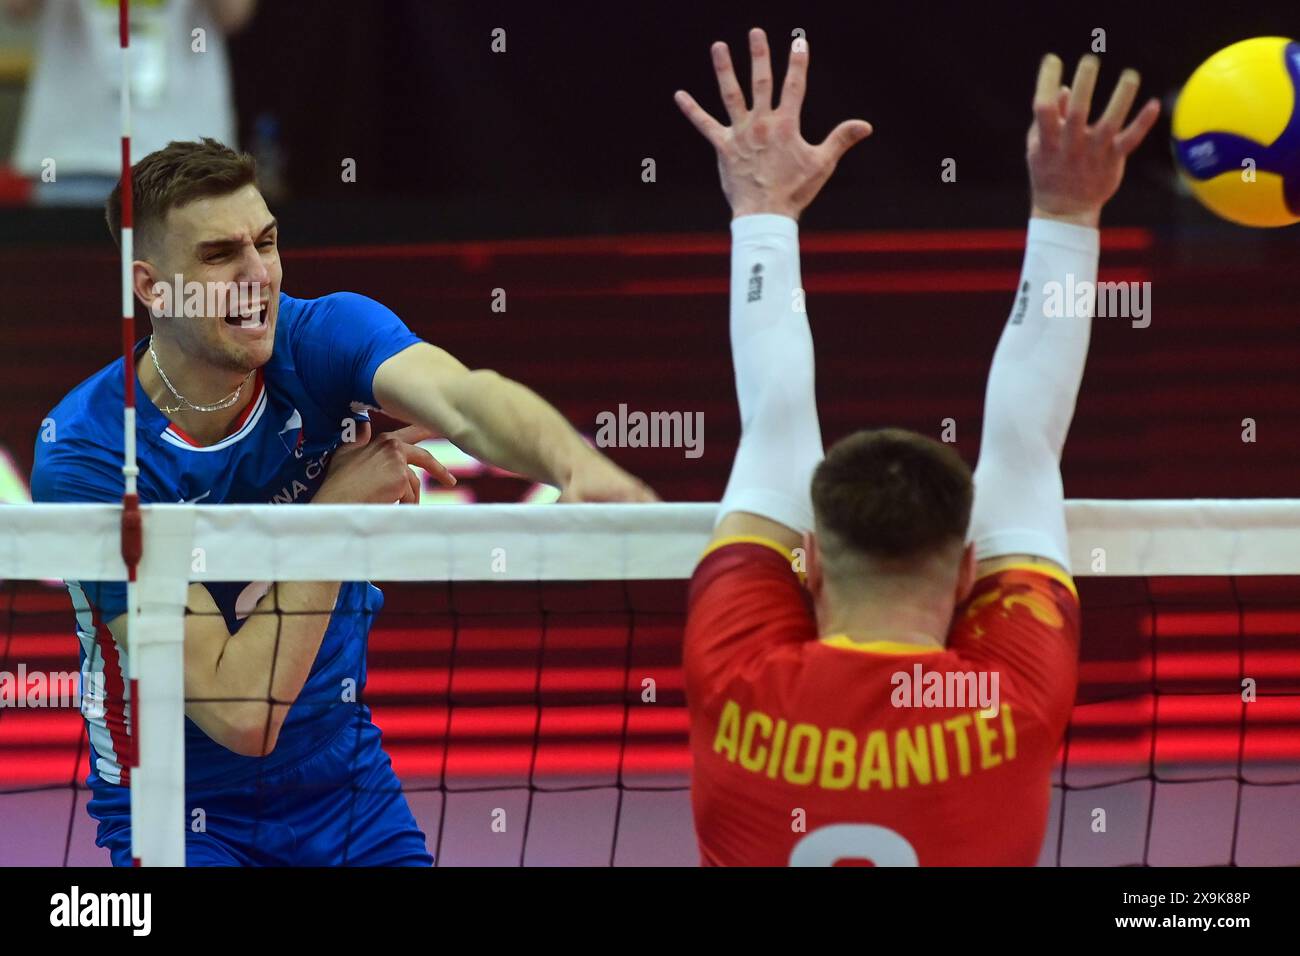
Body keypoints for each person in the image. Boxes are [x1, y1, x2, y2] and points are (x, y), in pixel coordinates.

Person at [29, 137, 655, 866]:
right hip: (179, 805)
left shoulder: (323, 336)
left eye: (266, 242)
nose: (257, 275)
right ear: (151, 288)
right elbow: (239, 712)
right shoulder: (90, 456)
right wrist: (334, 510)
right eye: (219, 255)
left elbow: (464, 398)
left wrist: (573, 463)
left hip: (344, 779)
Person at [675, 28, 1159, 865]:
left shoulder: (734, 670)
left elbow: (775, 414)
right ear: (969, 573)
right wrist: (1070, 211)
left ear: (813, 563)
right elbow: (1026, 438)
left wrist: (763, 211)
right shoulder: (1014, 696)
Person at [7, 0, 256, 205]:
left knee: (188, 264)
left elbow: (233, 13)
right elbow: (17, 8)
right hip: (76, 152)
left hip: (188, 153)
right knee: (74, 263)